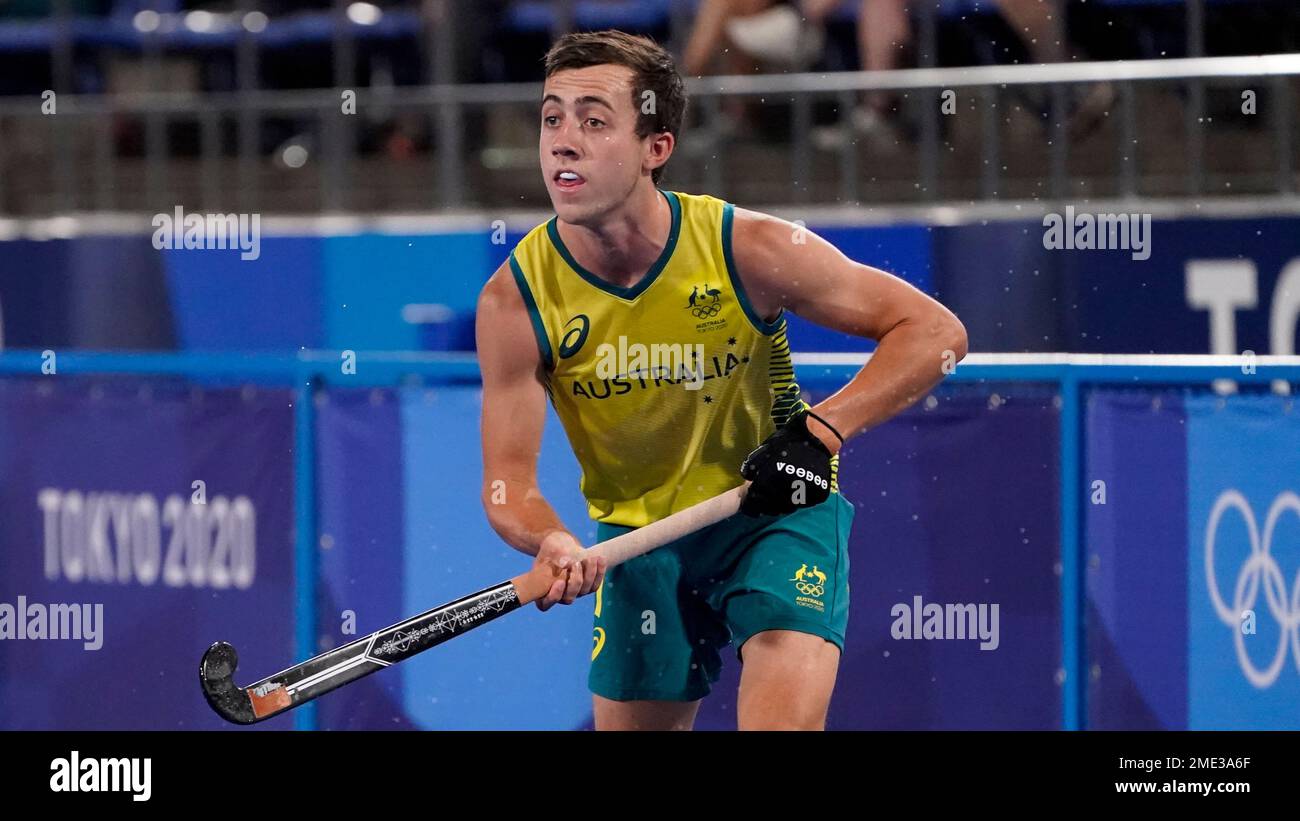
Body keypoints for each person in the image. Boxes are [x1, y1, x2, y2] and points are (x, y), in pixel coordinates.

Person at [476, 30, 966, 730]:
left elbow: (937, 333)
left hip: (774, 514)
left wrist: (819, 433)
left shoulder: (750, 249)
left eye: (593, 120)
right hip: (636, 541)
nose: (562, 141)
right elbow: (507, 485)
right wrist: (549, 538)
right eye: (552, 117)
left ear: (657, 148)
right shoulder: (514, 301)